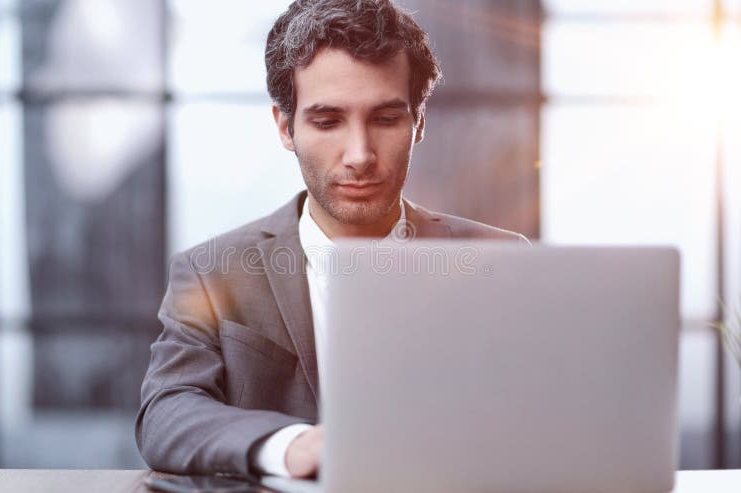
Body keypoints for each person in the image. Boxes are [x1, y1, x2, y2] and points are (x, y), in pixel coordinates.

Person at [135, 0, 529, 480]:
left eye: (386, 119)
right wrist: (291, 445)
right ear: (286, 127)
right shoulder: (213, 271)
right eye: (327, 122)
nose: (360, 155)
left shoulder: (501, 262)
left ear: (419, 122)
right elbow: (167, 412)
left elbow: (548, 411)